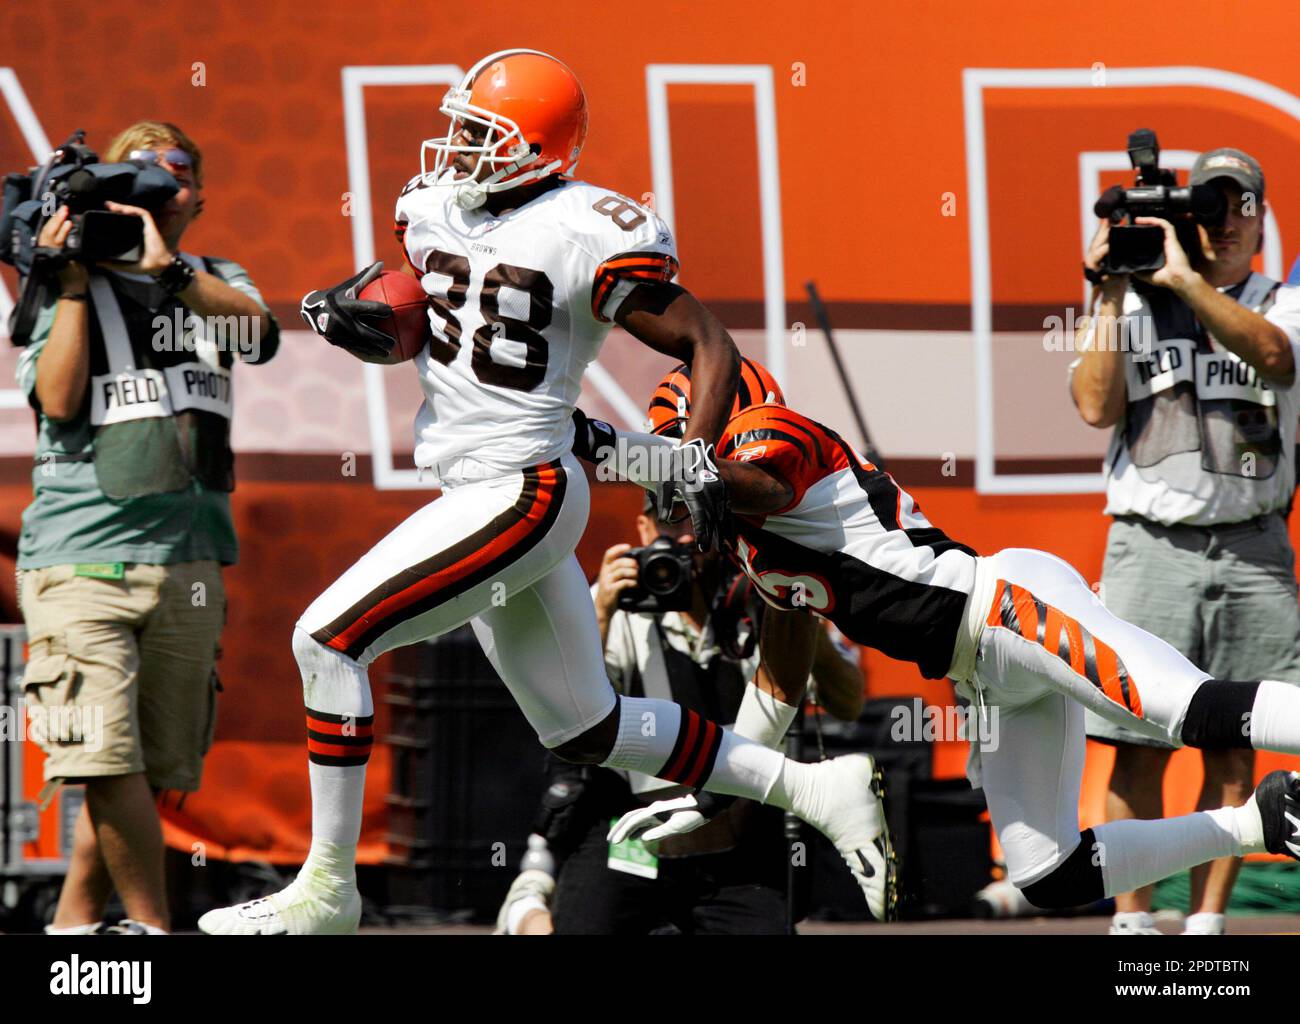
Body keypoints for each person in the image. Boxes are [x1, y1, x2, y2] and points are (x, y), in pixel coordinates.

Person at [199, 50, 893, 936]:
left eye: (479, 134)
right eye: (458, 128)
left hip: (519, 491)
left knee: (328, 641)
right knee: (588, 729)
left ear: (536, 149)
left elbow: (708, 344)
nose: (455, 148)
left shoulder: (583, 229)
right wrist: (378, 323)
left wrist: (689, 458)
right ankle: (815, 787)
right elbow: (449, 320)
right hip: (482, 483)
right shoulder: (434, 208)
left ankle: (329, 892)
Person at [572, 357, 1300, 912]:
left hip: (1008, 609)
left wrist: (616, 447)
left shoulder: (774, 434)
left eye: (678, 452)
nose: (669, 495)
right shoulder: (753, 548)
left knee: (1186, 710)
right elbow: (781, 680)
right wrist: (715, 786)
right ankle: (1261, 822)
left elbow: (758, 482)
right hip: (983, 672)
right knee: (1051, 874)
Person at [16, 121, 279, 935]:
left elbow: (258, 337)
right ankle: (151, 935)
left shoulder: (214, 277)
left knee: (149, 769)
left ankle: (70, 934)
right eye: (139, 176)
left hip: (189, 561)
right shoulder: (68, 279)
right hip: (80, 558)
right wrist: (66, 283)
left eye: (177, 174)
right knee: (102, 758)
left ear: (199, 195)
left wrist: (167, 271)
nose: (160, 189)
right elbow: (57, 402)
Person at [1070, 148, 1300, 935]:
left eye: (1245, 205)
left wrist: (1186, 284)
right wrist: (1106, 293)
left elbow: (1276, 358)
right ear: (1191, 218)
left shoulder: (1282, 300)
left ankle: (1206, 922)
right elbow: (1095, 408)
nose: (1230, 221)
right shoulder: (1133, 298)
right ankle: (1132, 921)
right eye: (1214, 206)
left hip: (1253, 547)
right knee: (1138, 746)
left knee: (1234, 750)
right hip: (1151, 545)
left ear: (1264, 218)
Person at [496, 485, 866, 935]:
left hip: (736, 851)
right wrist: (599, 614)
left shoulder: (763, 592)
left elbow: (848, 704)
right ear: (644, 529)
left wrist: (801, 626)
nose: (686, 537)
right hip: (632, 841)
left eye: (694, 519)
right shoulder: (618, 600)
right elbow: (561, 709)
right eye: (670, 523)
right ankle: (527, 906)